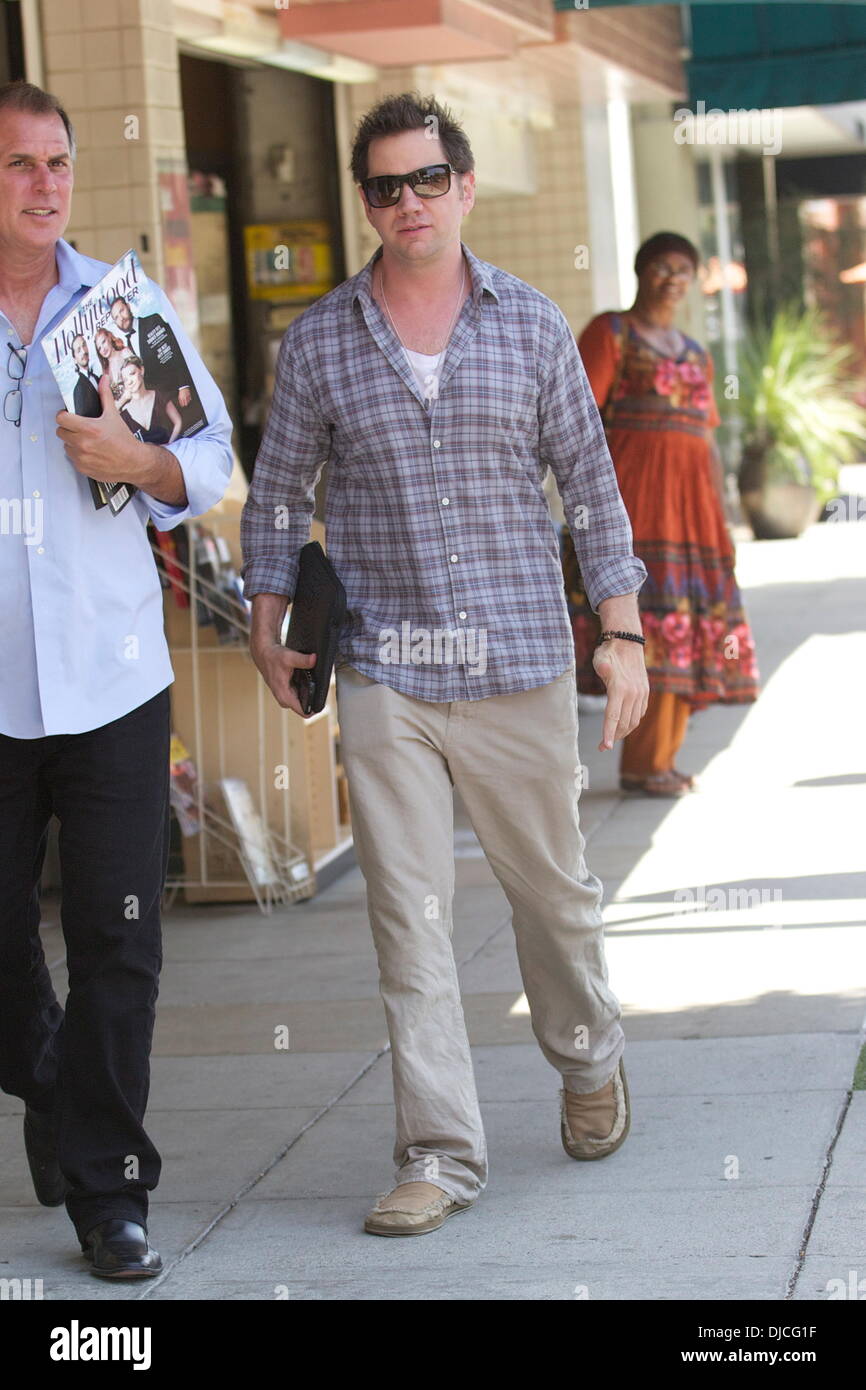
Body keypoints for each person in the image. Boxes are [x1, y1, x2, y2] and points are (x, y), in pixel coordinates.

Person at [241, 92, 649, 1238]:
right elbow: (277, 497)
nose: (407, 201)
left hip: (516, 654)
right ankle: (438, 1150)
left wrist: (618, 633)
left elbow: (590, 485)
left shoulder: (528, 326)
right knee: (407, 915)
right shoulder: (318, 340)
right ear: (364, 201)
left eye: (427, 179)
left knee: (551, 901)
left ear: (463, 187)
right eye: (384, 185)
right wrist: (270, 620)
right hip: (386, 671)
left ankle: (587, 1056)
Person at [0, 81, 233, 1278]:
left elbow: (211, 460)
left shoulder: (114, 310)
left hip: (112, 681)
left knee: (119, 941)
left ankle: (111, 1191)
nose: (44, 184)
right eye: (19, 164)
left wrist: (134, 457)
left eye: (57, 162)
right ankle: (55, 1085)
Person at [562, 231, 759, 796]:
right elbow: (575, 419)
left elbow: (707, 438)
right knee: (646, 625)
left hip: (693, 513)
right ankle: (643, 765)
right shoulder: (611, 333)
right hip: (635, 508)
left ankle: (662, 760)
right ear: (641, 272)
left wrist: (723, 513)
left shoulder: (696, 352)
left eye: (684, 269)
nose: (673, 277)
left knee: (684, 625)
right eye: (662, 266)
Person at [110, 294, 204, 433]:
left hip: (177, 393)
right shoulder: (127, 345)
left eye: (122, 311)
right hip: (160, 405)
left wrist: (183, 386)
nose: (121, 318)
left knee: (196, 431)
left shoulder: (152, 321)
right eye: (116, 317)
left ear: (128, 307)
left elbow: (174, 350)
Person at [116, 355, 182, 445]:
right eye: (125, 379)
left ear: (142, 370)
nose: (129, 381)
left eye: (132, 374)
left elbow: (178, 422)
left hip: (172, 450)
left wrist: (170, 445)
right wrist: (123, 400)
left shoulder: (159, 395)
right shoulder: (124, 413)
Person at [93, 324, 129, 398]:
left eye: (103, 342)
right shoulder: (105, 372)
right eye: (99, 348)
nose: (103, 349)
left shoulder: (125, 353)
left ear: (109, 338)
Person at [70, 332, 99, 416]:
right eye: (79, 350)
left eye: (84, 345)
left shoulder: (96, 377)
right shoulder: (78, 390)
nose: (83, 351)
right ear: (74, 359)